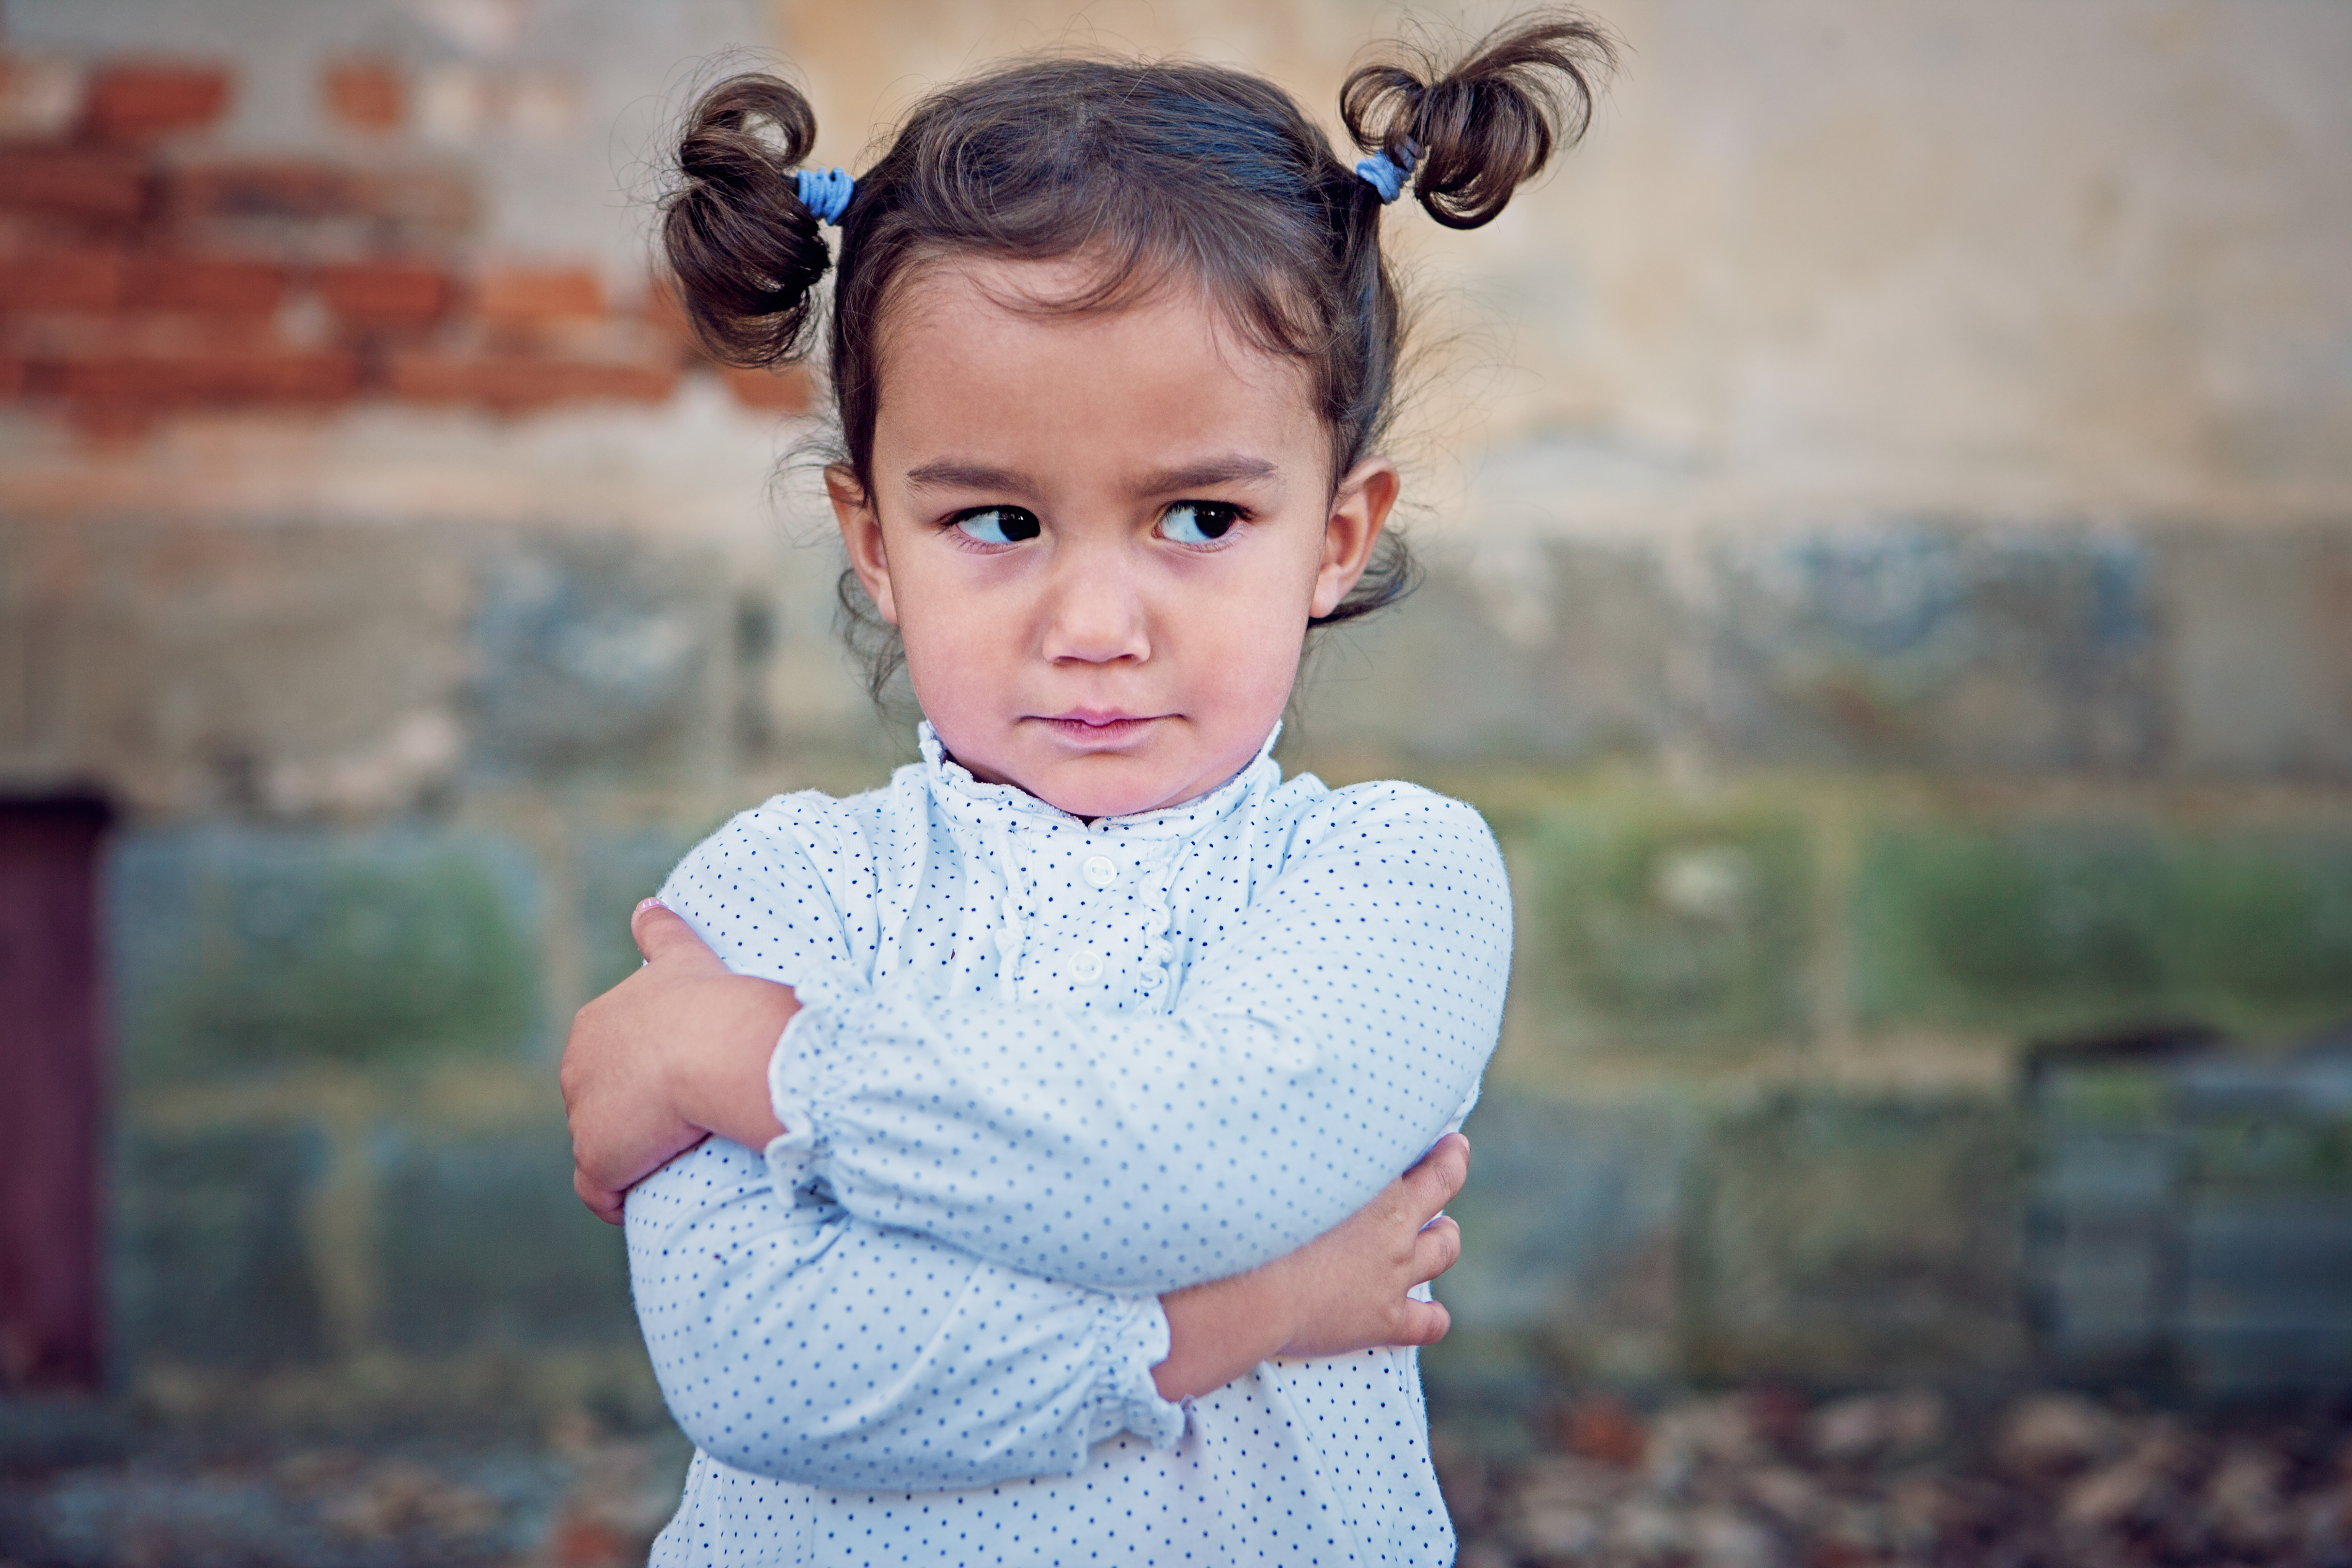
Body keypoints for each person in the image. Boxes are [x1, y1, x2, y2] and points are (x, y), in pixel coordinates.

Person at [559, 13, 1613, 1561]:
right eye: (996, 520)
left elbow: (1191, 1163)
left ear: (1334, 534)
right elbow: (765, 1367)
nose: (1096, 628)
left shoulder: (1395, 883)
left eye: (1197, 517)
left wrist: (763, 1065)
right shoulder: (775, 891)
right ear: (874, 539)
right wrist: (1236, 1319)